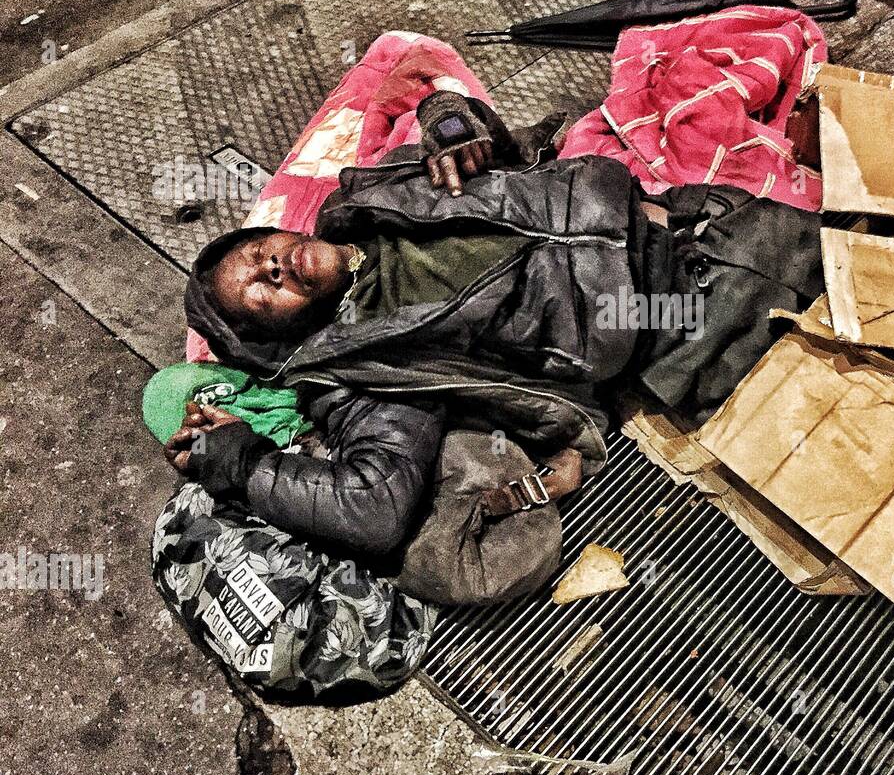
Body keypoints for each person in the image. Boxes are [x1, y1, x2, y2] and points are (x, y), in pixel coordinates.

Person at [165, 88, 824, 579]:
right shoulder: (363, 364)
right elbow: (376, 508)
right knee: (852, 331)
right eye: (261, 291)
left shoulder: (363, 201)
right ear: (275, 334)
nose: (273, 266)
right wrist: (245, 465)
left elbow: (495, 145)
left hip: (686, 220)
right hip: (681, 321)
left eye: (259, 253)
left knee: (860, 241)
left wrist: (451, 123)